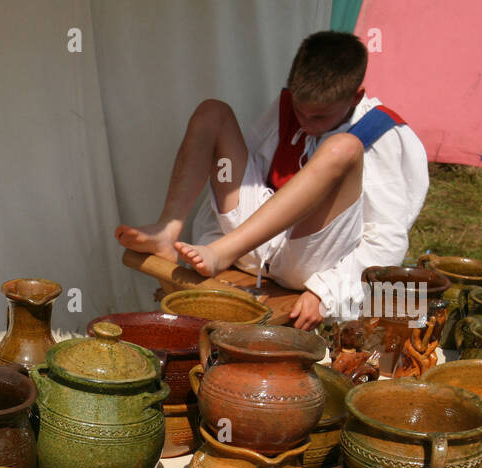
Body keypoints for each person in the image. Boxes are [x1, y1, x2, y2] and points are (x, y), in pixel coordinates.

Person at [116, 31, 428, 330]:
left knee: (343, 148)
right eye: (299, 110)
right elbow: (247, 179)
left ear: (355, 96)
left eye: (319, 117)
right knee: (213, 112)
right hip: (253, 248)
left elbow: (386, 238)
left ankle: (223, 250)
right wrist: (211, 240)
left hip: (310, 259)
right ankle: (168, 228)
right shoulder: (288, 109)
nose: (305, 122)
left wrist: (328, 293)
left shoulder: (386, 134)